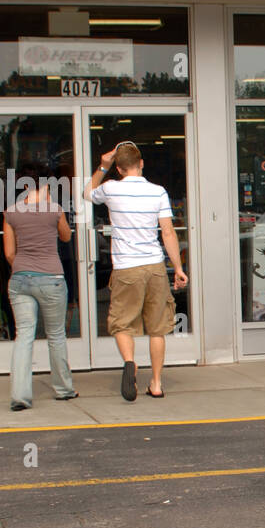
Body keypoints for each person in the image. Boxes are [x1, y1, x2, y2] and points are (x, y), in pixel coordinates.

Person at [86, 141, 188, 400]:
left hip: (126, 267)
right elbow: (167, 232)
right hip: (154, 265)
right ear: (141, 163)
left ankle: (130, 362)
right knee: (157, 328)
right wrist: (177, 268)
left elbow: (87, 193)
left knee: (122, 323)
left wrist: (102, 166)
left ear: (119, 168)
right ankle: (155, 383)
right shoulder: (158, 192)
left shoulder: (110, 189)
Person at [3, 163, 76, 410]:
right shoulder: (54, 210)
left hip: (20, 279)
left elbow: (9, 253)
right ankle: (64, 389)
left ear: (24, 186)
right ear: (47, 185)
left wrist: (25, 266)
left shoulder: (11, 212)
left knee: (23, 336)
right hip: (51, 279)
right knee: (55, 335)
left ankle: (20, 397)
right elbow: (66, 236)